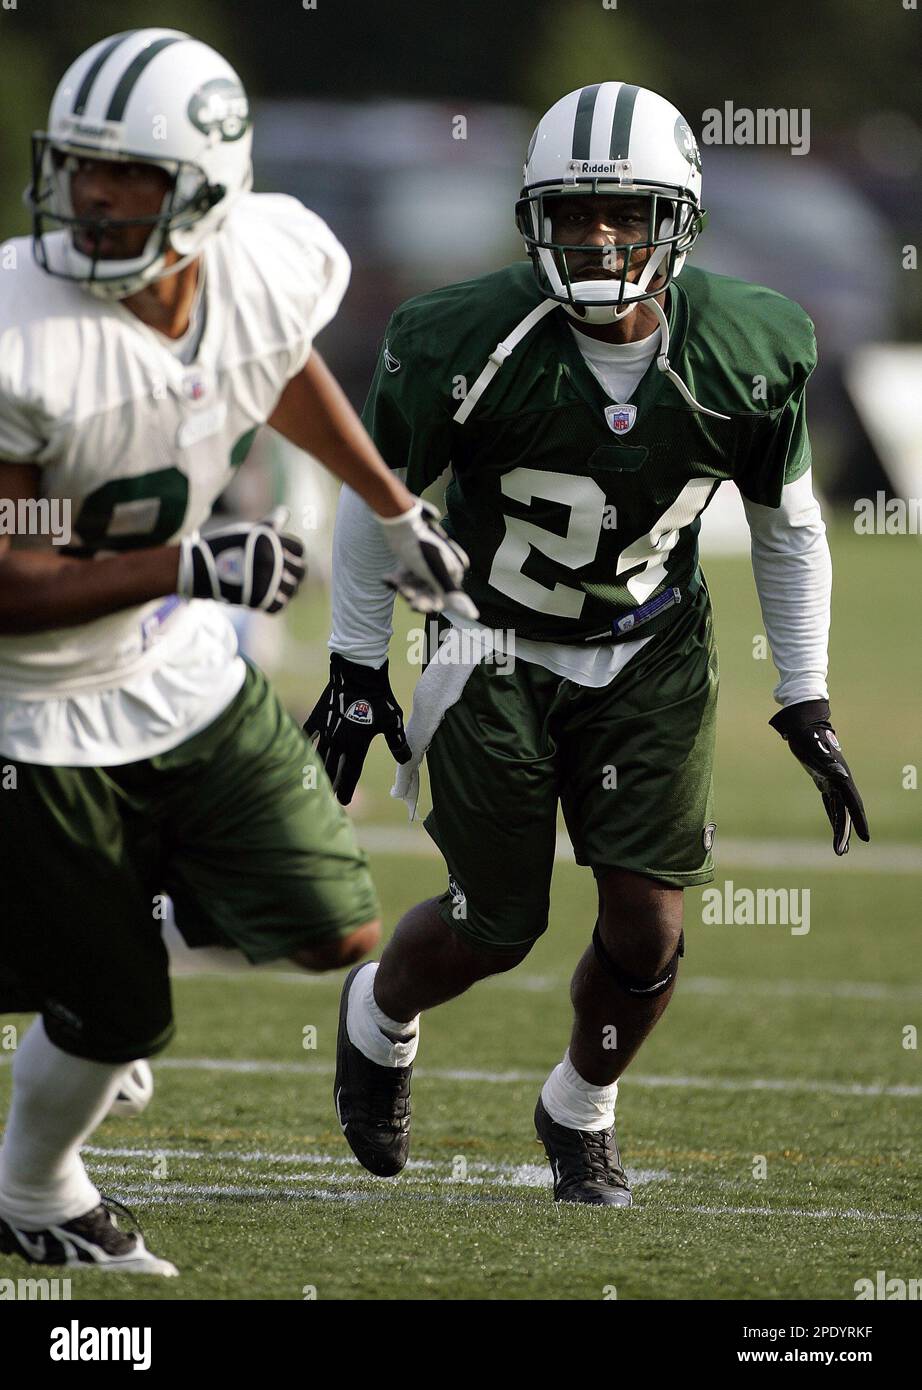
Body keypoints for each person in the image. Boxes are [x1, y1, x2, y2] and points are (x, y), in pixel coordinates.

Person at [308, 81, 870, 1207]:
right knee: (495, 923)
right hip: (489, 645)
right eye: (573, 213)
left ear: (679, 219)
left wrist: (804, 691)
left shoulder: (754, 343)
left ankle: (579, 1113)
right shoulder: (457, 337)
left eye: (624, 212)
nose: (598, 236)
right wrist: (356, 666)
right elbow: (377, 507)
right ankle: (378, 1015)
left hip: (651, 646)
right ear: (533, 218)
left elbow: (788, 528)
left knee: (648, 924)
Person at [0, 27, 470, 1275]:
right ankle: (38, 1194)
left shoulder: (269, 258)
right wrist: (192, 565)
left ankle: (74, 938)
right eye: (80, 168)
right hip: (30, 707)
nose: (93, 197)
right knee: (115, 1016)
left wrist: (388, 502)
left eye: (131, 177)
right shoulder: (18, 330)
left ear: (206, 190)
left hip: (174, 669)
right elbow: (3, 579)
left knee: (335, 929)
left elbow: (273, 362)